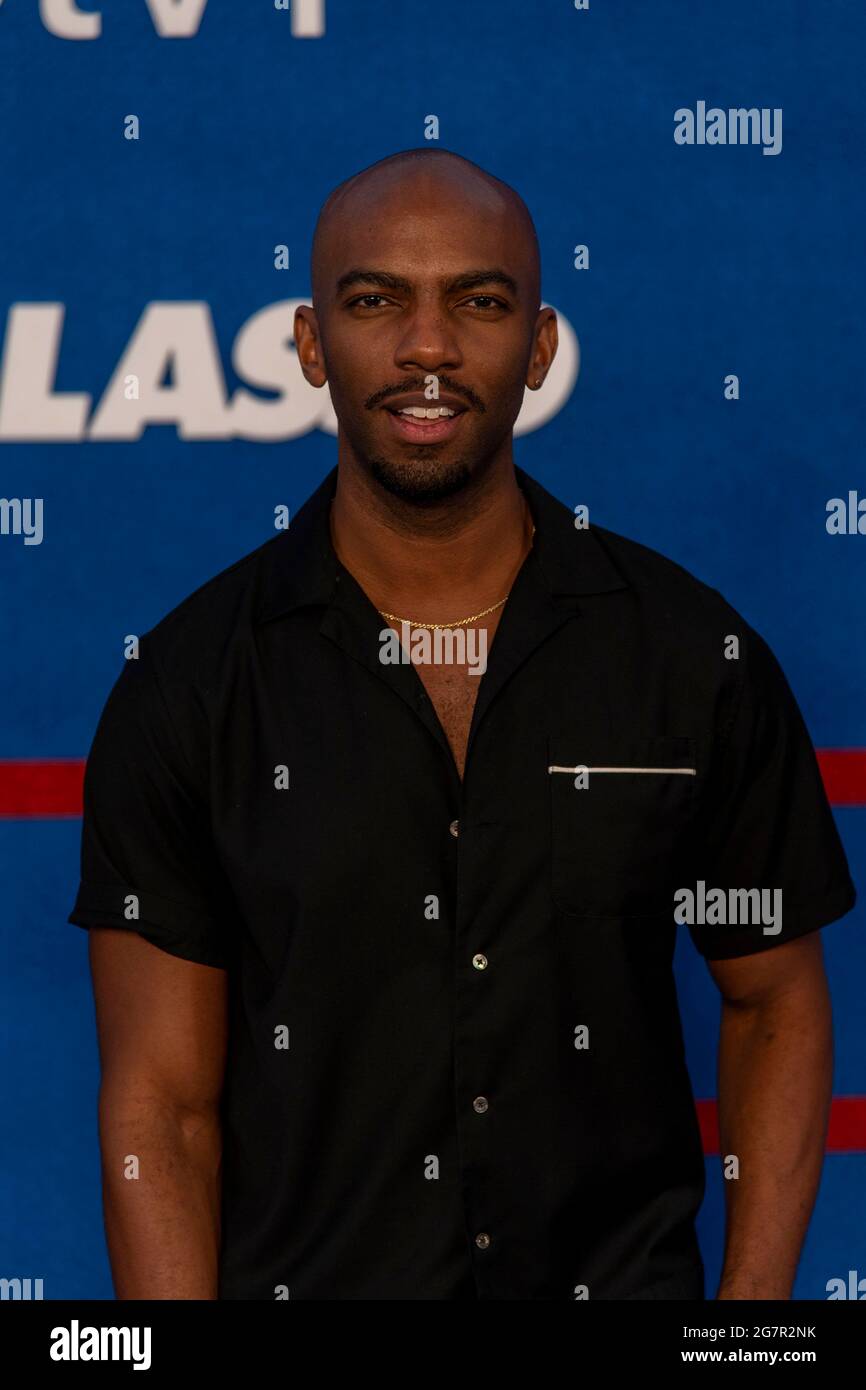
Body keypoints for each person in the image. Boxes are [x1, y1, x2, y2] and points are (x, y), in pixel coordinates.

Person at [69, 148, 856, 1300]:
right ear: (306, 344)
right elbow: (160, 1109)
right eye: (375, 299)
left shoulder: (695, 662)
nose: (425, 347)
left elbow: (773, 998)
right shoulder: (189, 688)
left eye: (478, 303)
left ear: (537, 349)